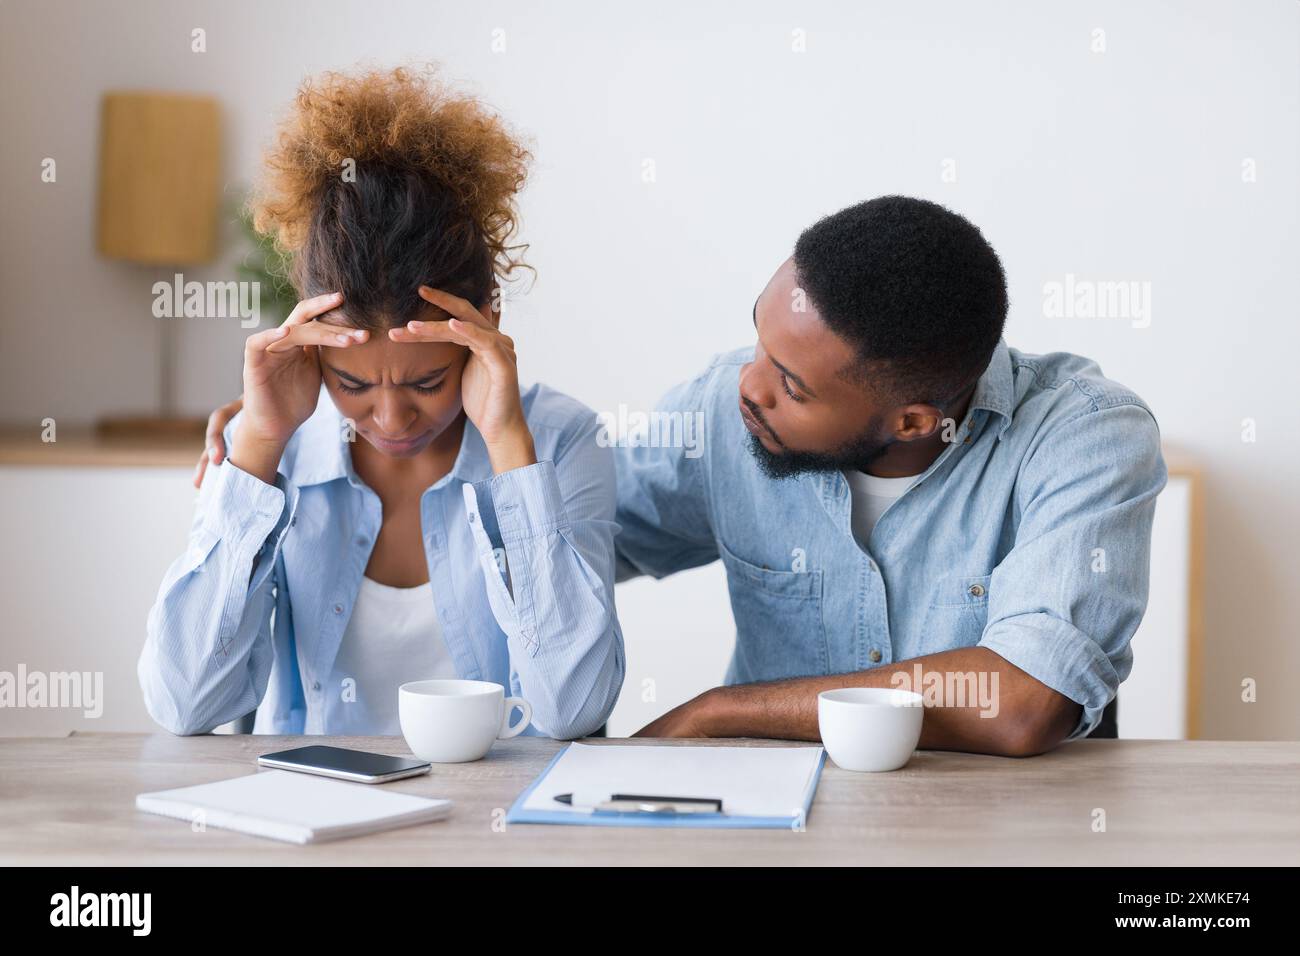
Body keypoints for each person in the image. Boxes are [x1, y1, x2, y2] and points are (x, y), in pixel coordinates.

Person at [197, 195, 1166, 757]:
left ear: (911, 418)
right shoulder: (722, 409)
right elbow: (546, 547)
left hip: (1009, 842)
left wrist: (719, 709)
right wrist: (262, 475)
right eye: (757, 337)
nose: (744, 384)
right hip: (787, 830)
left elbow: (1025, 695)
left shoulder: (1083, 437)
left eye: (788, 383)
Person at [140, 66, 623, 739]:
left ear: (485, 325)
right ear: (309, 344)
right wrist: (256, 448)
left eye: (426, 384)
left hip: (494, 834)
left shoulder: (559, 442)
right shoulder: (276, 447)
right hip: (311, 822)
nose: (391, 421)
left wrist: (511, 451)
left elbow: (574, 710)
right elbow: (183, 703)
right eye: (354, 386)